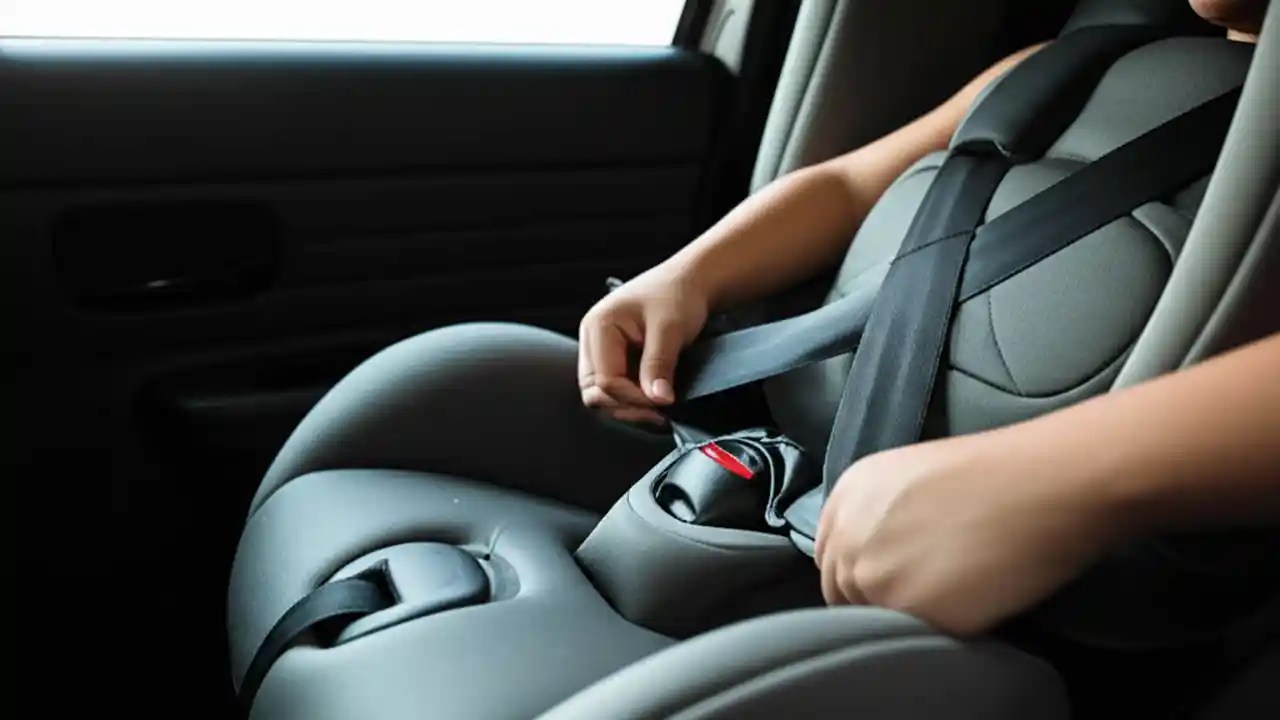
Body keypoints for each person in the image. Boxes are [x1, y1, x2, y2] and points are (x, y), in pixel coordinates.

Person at [574, 0, 1277, 636]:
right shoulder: (1075, 59)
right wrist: (688, 277)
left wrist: (1047, 479)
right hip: (781, 465)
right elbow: (849, 186)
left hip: (1012, 600)